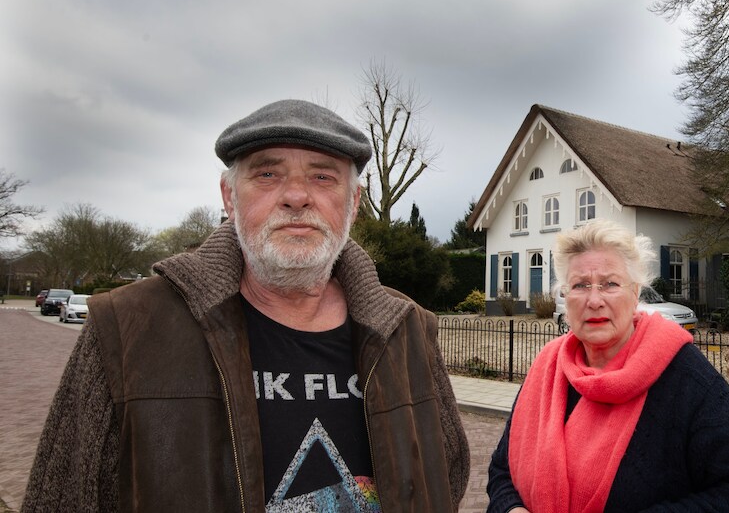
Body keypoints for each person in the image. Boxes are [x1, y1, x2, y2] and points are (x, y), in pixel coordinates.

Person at [23, 99, 469, 512]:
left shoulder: (409, 330)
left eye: (322, 176)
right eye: (268, 174)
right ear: (229, 197)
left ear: (353, 203)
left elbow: (445, 478)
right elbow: (61, 497)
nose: (297, 195)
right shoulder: (125, 329)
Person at [486, 220, 729, 512]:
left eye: (610, 284)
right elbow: (502, 470)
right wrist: (511, 509)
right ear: (565, 296)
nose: (594, 300)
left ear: (635, 293)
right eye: (580, 285)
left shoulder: (687, 378)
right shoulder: (546, 369)